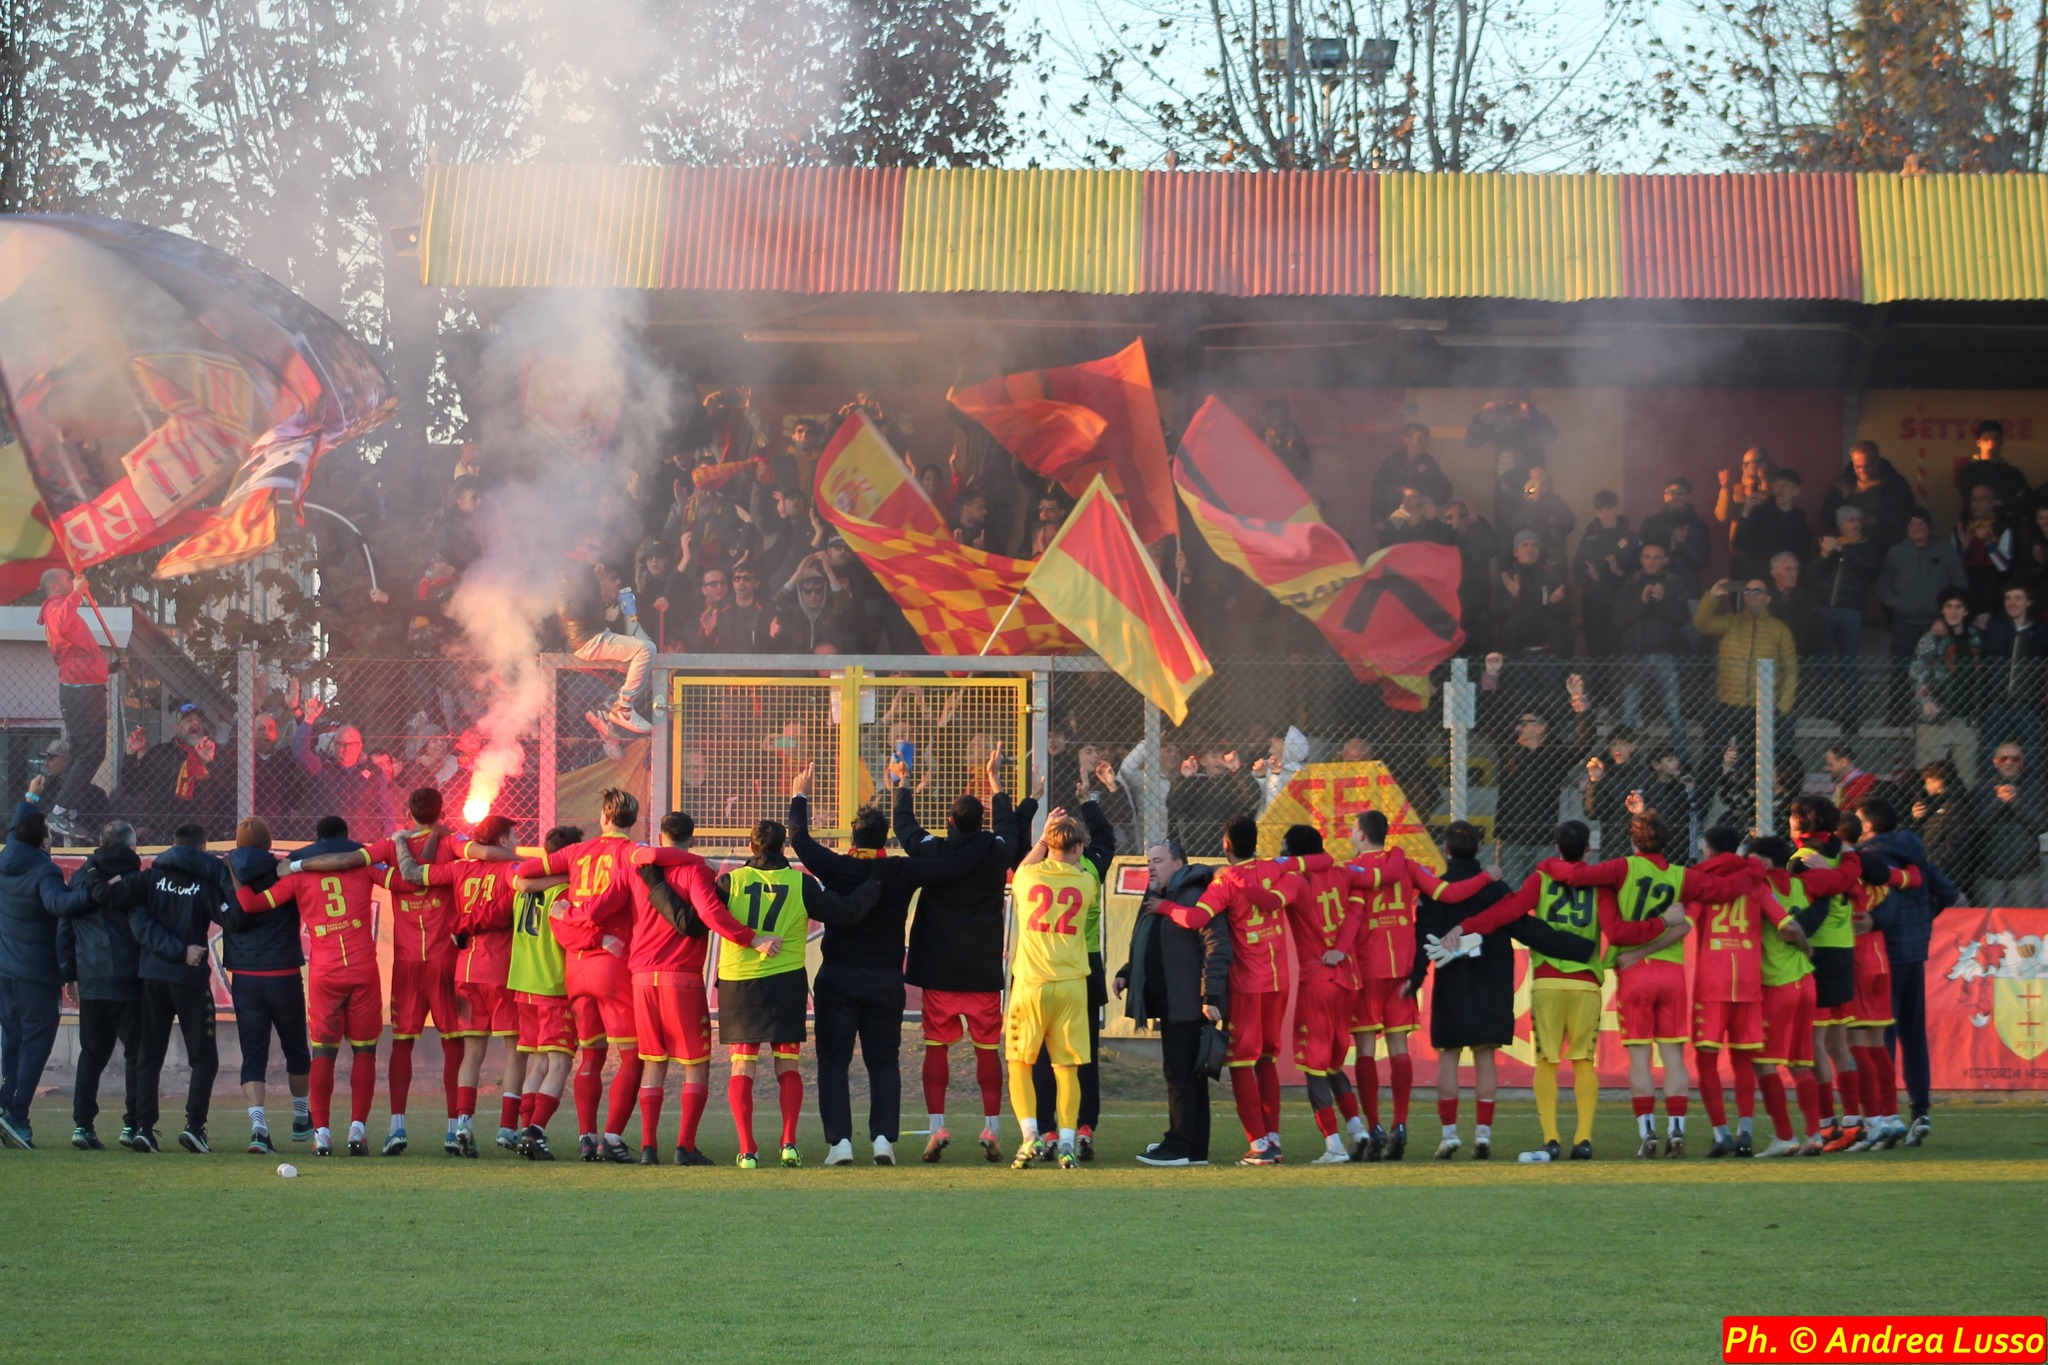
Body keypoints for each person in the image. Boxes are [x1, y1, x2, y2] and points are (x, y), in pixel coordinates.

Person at [786, 762, 988, 1166]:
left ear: (853, 835)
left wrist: (800, 795)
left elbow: (800, 840)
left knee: (833, 1063)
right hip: (885, 981)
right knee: (883, 1062)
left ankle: (840, 1144)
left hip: (838, 979)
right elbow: (955, 865)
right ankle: (882, 1141)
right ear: (886, 838)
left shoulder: (838, 866)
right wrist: (987, 839)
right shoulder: (899, 870)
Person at [1436, 820, 1675, 1162]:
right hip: (1586, 983)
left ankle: (1550, 1139)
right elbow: (1617, 931)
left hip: (1548, 982)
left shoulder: (1542, 878)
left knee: (1547, 1063)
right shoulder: (1601, 885)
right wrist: (1660, 925)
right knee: (1583, 1063)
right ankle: (1583, 1139)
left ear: (1556, 847)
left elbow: (1507, 911)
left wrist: (1465, 927)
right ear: (1589, 848)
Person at [1541, 804, 1753, 1157]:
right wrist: (1754, 867)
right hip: (1671, 973)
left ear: (1632, 840)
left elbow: (1577, 876)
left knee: (1639, 1057)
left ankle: (1648, 1131)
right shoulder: (1682, 876)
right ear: (1667, 841)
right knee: (1673, 1056)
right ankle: (1676, 1128)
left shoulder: (1622, 868)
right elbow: (1725, 889)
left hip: (1634, 971)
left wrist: (1547, 864)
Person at [1407, 820, 1601, 1159]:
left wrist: (1415, 978)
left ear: (1446, 849)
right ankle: (1483, 1135)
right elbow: (1526, 927)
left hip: (1453, 980)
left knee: (1448, 1056)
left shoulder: (1436, 891)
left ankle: (1449, 1135)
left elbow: (1424, 938)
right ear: (1479, 848)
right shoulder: (1496, 889)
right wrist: (1579, 948)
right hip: (1493, 979)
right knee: (1485, 1055)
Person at [697, 819, 877, 1169]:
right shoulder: (801, 883)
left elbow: (705, 914)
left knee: (742, 1065)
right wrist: (876, 883)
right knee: (788, 1063)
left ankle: (747, 1150)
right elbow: (845, 912)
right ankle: (789, 1144)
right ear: (784, 847)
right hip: (785, 982)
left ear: (752, 847)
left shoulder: (731, 881)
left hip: (739, 983)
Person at [1336, 809, 1493, 1161]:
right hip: (1400, 968)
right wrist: (1485, 878)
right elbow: (1448, 893)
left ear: (1362, 834)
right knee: (1398, 1048)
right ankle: (1400, 1123)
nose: (1350, 835)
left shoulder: (1352, 870)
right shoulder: (1406, 865)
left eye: (1352, 830)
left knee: (1365, 1050)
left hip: (1365, 969)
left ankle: (1375, 1126)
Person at [513, 788, 657, 1164]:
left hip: (576, 967)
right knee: (632, 1056)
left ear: (603, 818)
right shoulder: (631, 852)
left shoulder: (577, 852)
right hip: (613, 963)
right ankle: (612, 1138)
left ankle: (585, 1137)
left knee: (590, 1055)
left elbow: (524, 873)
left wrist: (566, 886)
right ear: (633, 821)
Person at [893, 751, 1024, 1163]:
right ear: (981, 823)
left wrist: (903, 784)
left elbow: (905, 828)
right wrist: (995, 780)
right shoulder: (996, 851)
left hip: (940, 970)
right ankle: (992, 1127)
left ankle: (937, 1127)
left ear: (950, 821)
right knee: (987, 1050)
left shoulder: (935, 852)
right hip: (982, 969)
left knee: (936, 1048)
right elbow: (1009, 828)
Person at [232, 815, 378, 1157]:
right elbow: (400, 879)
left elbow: (250, 905)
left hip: (325, 972)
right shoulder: (365, 866)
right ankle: (357, 1130)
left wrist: (233, 873)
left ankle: (322, 1134)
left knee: (323, 1052)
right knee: (364, 1051)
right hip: (362, 968)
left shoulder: (298, 876)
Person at [1165, 814, 1305, 1165]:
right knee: (1267, 1059)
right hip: (1280, 982)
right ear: (1255, 842)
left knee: (1242, 1063)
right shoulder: (1275, 869)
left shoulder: (1225, 882)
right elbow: (1294, 884)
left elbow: (1195, 919)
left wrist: (1164, 907)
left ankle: (1258, 1145)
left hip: (1248, 985)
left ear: (1225, 844)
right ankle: (1272, 1138)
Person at [394, 815, 524, 1157]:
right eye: (513, 836)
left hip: (466, 970)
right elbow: (517, 897)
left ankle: (464, 1123)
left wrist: (400, 843)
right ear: (502, 841)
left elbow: (415, 874)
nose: (516, 842)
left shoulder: (459, 869)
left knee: (473, 1052)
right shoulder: (510, 869)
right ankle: (507, 1128)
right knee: (515, 1049)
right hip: (500, 971)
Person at [617, 811, 727, 1165]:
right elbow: (704, 917)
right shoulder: (697, 871)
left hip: (641, 977)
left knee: (654, 1062)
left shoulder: (637, 870)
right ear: (692, 839)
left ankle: (648, 1148)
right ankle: (685, 1147)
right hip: (680, 977)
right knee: (696, 1064)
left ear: (659, 836)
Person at [1005, 810, 1110, 1169]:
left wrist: (1043, 838)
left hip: (1031, 984)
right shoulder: (1086, 882)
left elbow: (1024, 867)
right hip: (1071, 986)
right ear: (1079, 847)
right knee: (1067, 1069)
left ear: (1048, 843)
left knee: (1020, 1063)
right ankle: (1067, 1141)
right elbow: (1078, 871)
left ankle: (1029, 1136)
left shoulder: (1028, 876)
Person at [1853, 796, 1959, 1147]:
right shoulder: (1914, 853)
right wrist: (1922, 921)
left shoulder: (1873, 857)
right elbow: (1947, 892)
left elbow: (1889, 901)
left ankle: (1885, 1115)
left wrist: (1876, 922)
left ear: (1868, 825)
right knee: (1913, 1033)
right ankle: (1920, 1111)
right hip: (1914, 953)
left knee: (1880, 1035)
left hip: (1885, 954)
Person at [1115, 838, 1226, 1167]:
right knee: (1189, 1074)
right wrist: (1128, 971)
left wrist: (1210, 995)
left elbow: (1216, 945)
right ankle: (1195, 1148)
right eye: (1149, 861)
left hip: (1187, 1001)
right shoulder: (1158, 894)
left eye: (1158, 861)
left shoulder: (1192, 895)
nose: (1151, 867)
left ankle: (1179, 1146)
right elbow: (1148, 941)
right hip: (1173, 999)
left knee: (1180, 1074)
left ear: (1178, 863)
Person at [0, 783, 93, 1148]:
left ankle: (6, 1102)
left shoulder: (7, 859)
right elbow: (58, 905)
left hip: (6, 971)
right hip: (36, 975)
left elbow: (17, 829)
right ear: (42, 842)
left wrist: (31, 798)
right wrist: (91, 890)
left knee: (12, 1039)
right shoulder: (45, 871)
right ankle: (17, 1115)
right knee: (37, 1044)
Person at [129, 822, 230, 1155]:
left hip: (152, 977)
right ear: (202, 849)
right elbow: (232, 917)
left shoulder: (151, 877)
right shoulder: (204, 882)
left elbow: (140, 923)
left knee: (149, 1056)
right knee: (203, 1057)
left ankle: (143, 1128)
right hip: (189, 979)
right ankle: (194, 1127)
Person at [1274, 825, 1372, 1164]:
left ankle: (1334, 1146)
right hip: (1348, 980)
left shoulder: (1297, 880)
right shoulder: (1344, 873)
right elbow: (1366, 893)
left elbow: (1270, 900)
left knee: (1313, 1067)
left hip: (1318, 982)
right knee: (1332, 1064)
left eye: (1286, 849)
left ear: (1296, 852)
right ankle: (1357, 1128)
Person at [219, 819, 313, 1153]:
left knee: (253, 1054)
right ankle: (301, 1118)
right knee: (296, 1048)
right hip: (283, 972)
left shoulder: (226, 870)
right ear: (268, 843)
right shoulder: (283, 870)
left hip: (245, 975)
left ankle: (258, 1128)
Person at [57, 820, 144, 1151]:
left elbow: (65, 927)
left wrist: (69, 974)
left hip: (91, 978)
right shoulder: (135, 878)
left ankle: (82, 1125)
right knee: (136, 1053)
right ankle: (132, 1125)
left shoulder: (82, 877)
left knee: (91, 1054)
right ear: (130, 846)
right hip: (129, 978)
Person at [504, 826, 583, 1160]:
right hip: (552, 984)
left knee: (537, 1062)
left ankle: (527, 1130)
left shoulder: (524, 890)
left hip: (523, 983)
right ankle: (535, 1130)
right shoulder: (564, 891)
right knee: (559, 1062)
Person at [1694, 578, 1798, 806]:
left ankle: (1756, 811)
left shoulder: (1779, 630)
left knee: (1758, 762)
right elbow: (1702, 623)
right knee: (1711, 759)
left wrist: (1782, 707)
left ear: (1768, 598)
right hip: (1728, 704)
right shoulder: (1730, 623)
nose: (1751, 595)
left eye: (1757, 591)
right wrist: (1713, 595)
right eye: (1747, 591)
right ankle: (1698, 812)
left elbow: (1790, 671)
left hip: (1763, 708)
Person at [36, 568, 110, 845]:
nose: (74, 581)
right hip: (81, 690)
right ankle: (61, 810)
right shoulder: (56, 607)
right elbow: (63, 623)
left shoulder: (59, 608)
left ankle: (64, 809)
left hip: (82, 687)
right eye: (68, 579)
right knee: (93, 751)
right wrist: (77, 592)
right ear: (56, 586)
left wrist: (112, 667)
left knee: (81, 751)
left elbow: (78, 652)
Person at [558, 541, 653, 735]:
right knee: (646, 649)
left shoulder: (600, 595)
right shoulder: (579, 583)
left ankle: (605, 710)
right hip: (588, 643)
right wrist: (597, 576)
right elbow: (575, 605)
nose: (618, 583)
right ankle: (623, 709)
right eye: (612, 579)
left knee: (644, 667)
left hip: (594, 638)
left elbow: (634, 628)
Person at [1613, 541, 1692, 762]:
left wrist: (1663, 600)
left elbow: (1681, 618)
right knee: (1629, 714)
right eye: (1647, 557)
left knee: (1674, 712)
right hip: (1634, 656)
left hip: (1666, 655)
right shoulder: (1630, 583)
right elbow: (1618, 619)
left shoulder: (1674, 583)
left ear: (1665, 560)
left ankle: (1683, 763)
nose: (1651, 561)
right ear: (1641, 559)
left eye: (1657, 557)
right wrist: (1643, 601)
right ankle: (1622, 764)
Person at [1492, 711, 1576, 883]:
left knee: (1542, 890)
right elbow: (1494, 728)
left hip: (1542, 838)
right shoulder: (1510, 752)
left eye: (1524, 724)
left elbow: (1583, 744)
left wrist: (1582, 709)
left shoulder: (1554, 755)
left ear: (1540, 728)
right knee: (1511, 891)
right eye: (1518, 724)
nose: (1518, 728)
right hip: (1511, 837)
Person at [1876, 508, 1967, 657]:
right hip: (1903, 623)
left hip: (1937, 622)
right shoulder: (1895, 552)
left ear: (1929, 528)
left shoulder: (1946, 551)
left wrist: (1948, 615)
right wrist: (1894, 602)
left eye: (1921, 524)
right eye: (1912, 524)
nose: (1916, 527)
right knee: (1902, 665)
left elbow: (1959, 583)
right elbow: (1883, 582)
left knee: (1936, 664)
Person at [1977, 584, 2045, 781]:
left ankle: (2029, 794)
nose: (2012, 603)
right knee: (1989, 757)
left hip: (2028, 704)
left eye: (2018, 598)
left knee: (2031, 756)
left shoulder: (2041, 631)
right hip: (1995, 702)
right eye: (2008, 598)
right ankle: (1990, 796)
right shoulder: (1994, 626)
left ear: (2028, 602)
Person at [1975, 745, 2045, 908]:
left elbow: (2041, 824)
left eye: (2015, 758)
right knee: (1988, 920)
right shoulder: (1982, 788)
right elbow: (1977, 824)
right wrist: (1999, 801)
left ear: (2022, 762)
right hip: (1989, 870)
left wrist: (2015, 802)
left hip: (2025, 870)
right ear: (1995, 761)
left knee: (2028, 920)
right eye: (2003, 758)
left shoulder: (2035, 788)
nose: (2009, 762)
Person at [1821, 439, 1915, 559]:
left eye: (1867, 466)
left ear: (1877, 460)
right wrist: (1844, 522)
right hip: (1847, 548)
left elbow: (1906, 515)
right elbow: (1826, 514)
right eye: (1857, 467)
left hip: (1884, 549)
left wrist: (1877, 520)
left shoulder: (1895, 484)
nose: (1862, 470)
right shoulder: (1844, 483)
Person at [1572, 490, 1634, 655]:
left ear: (1616, 509)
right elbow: (1577, 567)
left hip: (1620, 602)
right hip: (1594, 604)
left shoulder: (1630, 538)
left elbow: (1638, 571)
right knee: (1596, 653)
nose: (1605, 515)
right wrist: (1589, 576)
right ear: (1596, 512)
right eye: (1600, 510)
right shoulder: (1588, 538)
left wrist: (1619, 571)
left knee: (1621, 653)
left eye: (1609, 509)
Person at [1730, 467, 1816, 583]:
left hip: (1786, 587)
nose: (1779, 489)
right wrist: (1745, 513)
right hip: (1759, 583)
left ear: (1796, 490)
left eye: (1785, 485)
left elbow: (1803, 560)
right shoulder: (1759, 515)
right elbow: (1739, 544)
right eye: (1776, 485)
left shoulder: (1801, 525)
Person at [1370, 423, 1452, 526]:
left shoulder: (1429, 464)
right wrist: (1377, 519)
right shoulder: (1391, 463)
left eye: (1426, 439)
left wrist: (1423, 495)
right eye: (1420, 438)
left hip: (1419, 523)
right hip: (1392, 522)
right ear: (1406, 439)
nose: (1424, 442)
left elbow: (1446, 490)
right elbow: (1378, 491)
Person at [1640, 478, 1711, 596]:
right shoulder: (1651, 523)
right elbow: (1642, 556)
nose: (1675, 497)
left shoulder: (1698, 525)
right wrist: (1670, 547)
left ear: (1688, 497)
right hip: (1655, 585)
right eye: (1671, 492)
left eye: (1680, 493)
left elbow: (1702, 562)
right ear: (1664, 496)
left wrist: (1683, 544)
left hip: (1687, 588)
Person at [1956, 419, 2031, 517]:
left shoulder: (2013, 473)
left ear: (2002, 441)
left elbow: (2025, 501)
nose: (1991, 444)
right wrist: (2007, 500)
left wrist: (1999, 502)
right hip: (1976, 524)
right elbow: (1971, 503)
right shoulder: (1968, 472)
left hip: (2007, 523)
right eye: (1986, 440)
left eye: (1995, 439)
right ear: (1978, 443)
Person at [1768, 552, 1823, 657]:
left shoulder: (1807, 601)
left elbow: (1817, 638)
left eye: (1795, 569)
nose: (1792, 574)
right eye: (1787, 569)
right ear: (1773, 573)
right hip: (1767, 659)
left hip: (1798, 659)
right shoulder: (1762, 599)